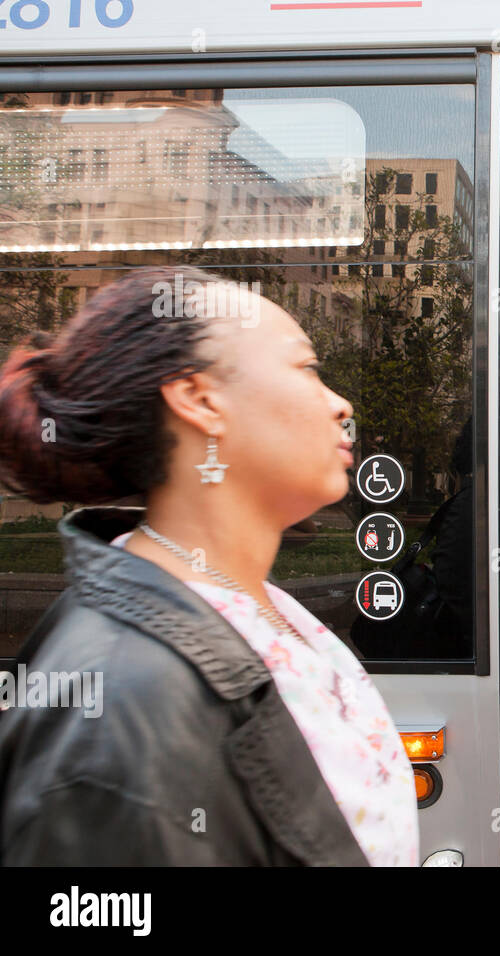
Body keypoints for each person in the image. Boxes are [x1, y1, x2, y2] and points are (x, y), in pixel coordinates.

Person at [0, 267, 418, 865]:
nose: (339, 403)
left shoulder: (269, 609)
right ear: (199, 399)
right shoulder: (124, 706)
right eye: (305, 369)